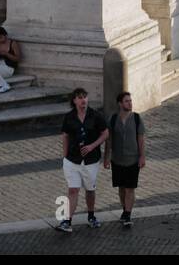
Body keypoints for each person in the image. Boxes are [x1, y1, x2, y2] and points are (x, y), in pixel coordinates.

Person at [58, 88, 108, 233]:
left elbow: (105, 133)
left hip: (91, 161)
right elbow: (65, 135)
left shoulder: (95, 115)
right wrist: (64, 156)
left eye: (85, 97)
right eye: (80, 98)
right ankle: (67, 221)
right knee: (73, 190)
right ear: (74, 100)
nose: (83, 100)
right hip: (72, 161)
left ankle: (91, 216)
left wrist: (92, 146)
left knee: (90, 190)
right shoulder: (69, 117)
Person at [103, 91, 145, 229]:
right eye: (127, 101)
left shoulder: (137, 118)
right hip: (117, 159)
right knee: (121, 188)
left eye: (130, 101)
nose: (130, 103)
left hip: (132, 159)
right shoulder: (113, 119)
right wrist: (107, 157)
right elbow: (109, 139)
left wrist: (142, 156)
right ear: (120, 104)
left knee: (130, 188)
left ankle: (127, 213)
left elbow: (140, 138)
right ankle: (124, 210)